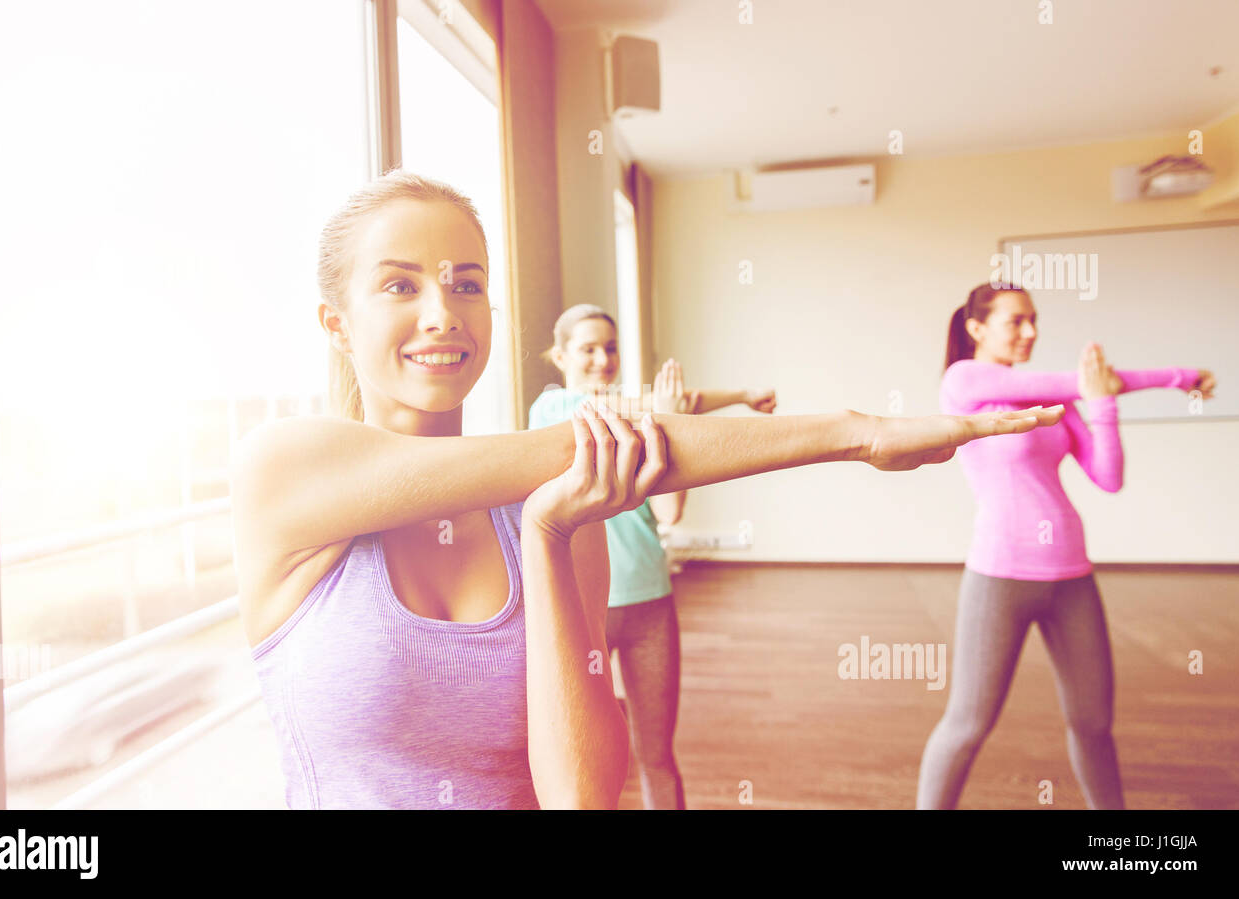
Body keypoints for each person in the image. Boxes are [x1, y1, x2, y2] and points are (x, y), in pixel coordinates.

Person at [230, 170, 1064, 809]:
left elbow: (581, 795)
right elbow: (586, 443)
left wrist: (553, 541)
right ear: (335, 322)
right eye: (400, 284)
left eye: (467, 281)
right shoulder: (285, 471)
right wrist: (853, 432)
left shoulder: (556, 506)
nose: (444, 310)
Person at [915, 283, 1216, 809]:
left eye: (1035, 319)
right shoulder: (964, 380)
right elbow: (1074, 381)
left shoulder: (1053, 398)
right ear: (976, 328)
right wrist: (1179, 378)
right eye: (1016, 321)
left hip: (1072, 575)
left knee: (1094, 723)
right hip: (1000, 576)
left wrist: (1100, 405)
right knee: (968, 725)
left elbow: (1109, 477)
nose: (1031, 331)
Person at [528, 303, 777, 809]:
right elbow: (659, 406)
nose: (602, 359)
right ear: (560, 356)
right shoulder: (551, 410)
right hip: (584, 613)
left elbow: (670, 507)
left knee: (657, 756)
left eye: (611, 348)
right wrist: (677, 409)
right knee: (588, 760)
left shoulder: (642, 413)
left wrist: (742, 397)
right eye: (588, 348)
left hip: (650, 603)